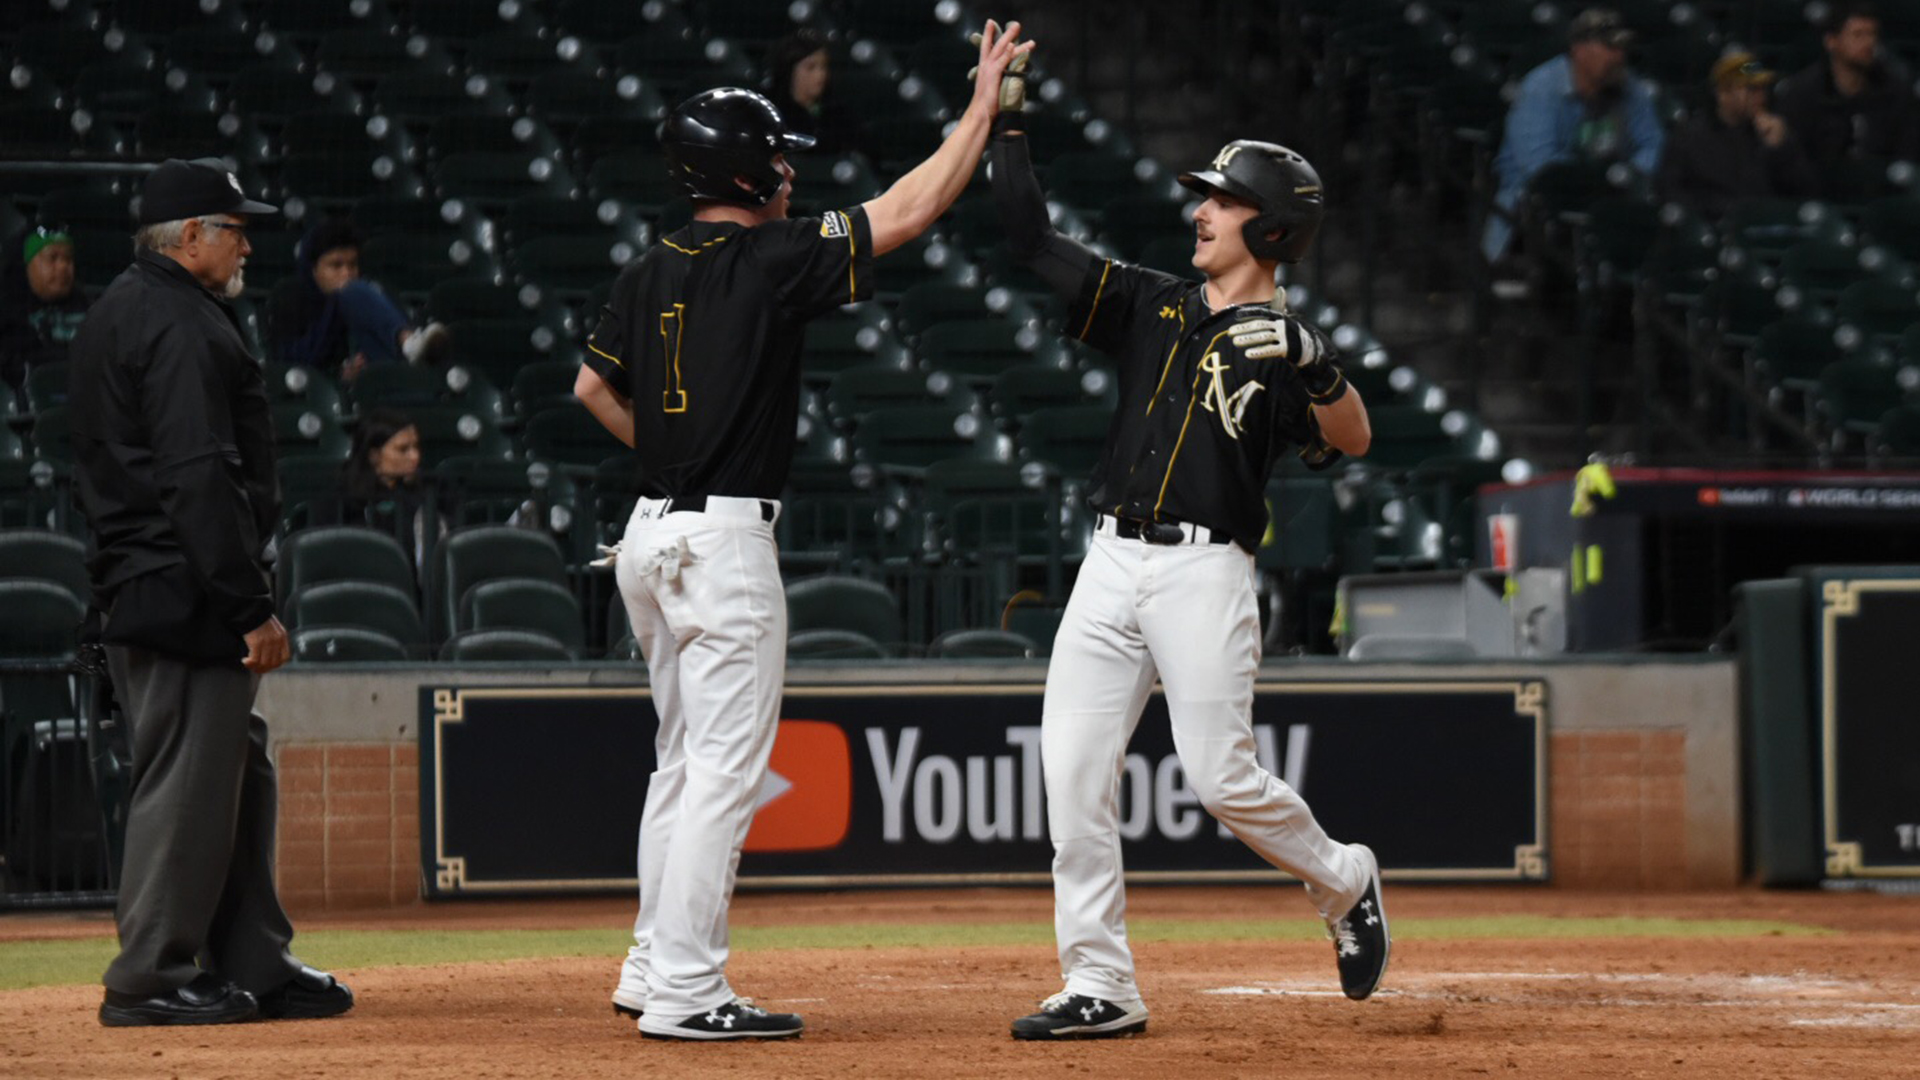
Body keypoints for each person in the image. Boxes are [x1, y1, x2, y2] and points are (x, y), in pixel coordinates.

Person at [575, 21, 1033, 1041]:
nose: (789, 172)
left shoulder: (647, 267)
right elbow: (911, 208)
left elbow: (587, 386)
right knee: (724, 777)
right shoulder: (771, 256)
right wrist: (980, 108)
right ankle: (689, 991)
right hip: (722, 541)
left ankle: (654, 966)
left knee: (681, 764)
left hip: (648, 536)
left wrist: (669, 453)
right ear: (744, 168)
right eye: (777, 156)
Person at [990, 117, 1389, 1037]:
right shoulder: (1151, 302)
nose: (1201, 211)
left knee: (1220, 780)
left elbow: (1356, 438)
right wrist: (1007, 126)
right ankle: (1101, 983)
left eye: (1222, 199)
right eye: (1204, 197)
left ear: (1274, 228)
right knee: (1074, 776)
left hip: (1205, 571)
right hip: (1110, 560)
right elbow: (1030, 239)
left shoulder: (1285, 346)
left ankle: (1343, 878)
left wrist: (1317, 365)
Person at [67, 158, 353, 1027]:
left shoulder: (141, 307)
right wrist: (247, 603)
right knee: (188, 781)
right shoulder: (177, 322)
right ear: (190, 235)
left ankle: (253, 961)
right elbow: (196, 474)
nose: (247, 244)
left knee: (239, 768)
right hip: (182, 585)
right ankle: (149, 977)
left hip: (161, 575)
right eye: (235, 229)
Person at [1482, 8, 1666, 262]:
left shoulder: (1629, 86)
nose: (1619, 56)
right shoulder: (1540, 89)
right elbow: (1540, 167)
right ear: (1578, 50)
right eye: (1610, 47)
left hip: (1609, 194)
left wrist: (1628, 174)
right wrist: (1602, 180)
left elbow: (1653, 143)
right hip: (1540, 202)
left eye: (1622, 48)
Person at [266, 215, 447, 384]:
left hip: (388, 378)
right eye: (336, 265)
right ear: (313, 270)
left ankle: (409, 343)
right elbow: (291, 361)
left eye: (352, 265)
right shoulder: (292, 300)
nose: (347, 274)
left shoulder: (368, 294)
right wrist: (341, 374)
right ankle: (408, 341)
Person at [1773, 2, 1919, 201]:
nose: (1868, 43)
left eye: (1872, 34)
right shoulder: (1802, 94)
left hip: (1881, 201)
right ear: (1832, 41)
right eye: (1858, 35)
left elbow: (1906, 155)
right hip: (1818, 200)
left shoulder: (1895, 90)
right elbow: (1794, 164)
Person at [1656, 53, 1819, 220]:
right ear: (1723, 93)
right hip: (1713, 228)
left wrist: (1780, 149)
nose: (1761, 97)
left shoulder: (1775, 132)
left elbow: (1805, 193)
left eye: (1763, 88)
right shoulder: (1689, 137)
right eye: (1751, 89)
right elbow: (1670, 191)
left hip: (1767, 228)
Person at [0, 223, 92, 396]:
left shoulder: (86, 305)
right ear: (28, 265)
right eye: (52, 258)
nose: (63, 267)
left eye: (68, 259)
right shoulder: (7, 312)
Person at [764, 28, 847, 154]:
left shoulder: (838, 115)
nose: (821, 75)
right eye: (811, 67)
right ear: (789, 71)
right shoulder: (771, 116)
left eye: (823, 67)